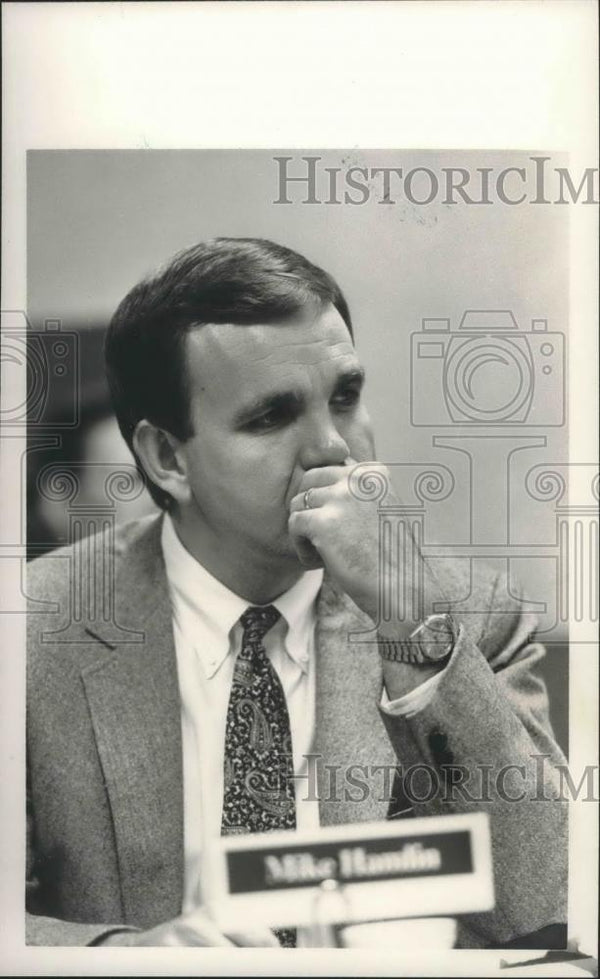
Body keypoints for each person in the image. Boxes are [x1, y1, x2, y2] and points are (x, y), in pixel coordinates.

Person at [26, 238, 567, 948]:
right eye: (272, 417)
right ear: (167, 458)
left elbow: (544, 899)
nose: (333, 448)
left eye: (344, 398)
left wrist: (407, 623)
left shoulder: (471, 617)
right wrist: (126, 956)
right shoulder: (32, 630)